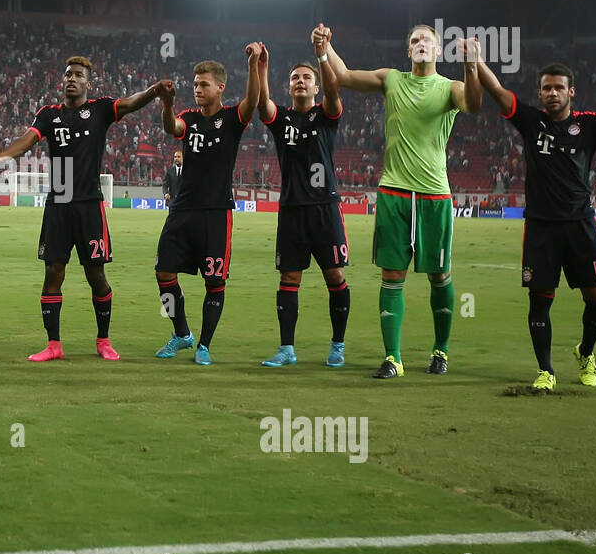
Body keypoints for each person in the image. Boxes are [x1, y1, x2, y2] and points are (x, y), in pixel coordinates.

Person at [477, 60, 596, 389]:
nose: (552, 93)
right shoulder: (530, 120)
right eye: (546, 88)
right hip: (541, 226)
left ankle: (585, 351)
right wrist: (475, 59)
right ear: (539, 92)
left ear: (571, 92)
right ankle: (546, 371)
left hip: (580, 223)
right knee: (540, 299)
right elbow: (495, 90)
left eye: (558, 88)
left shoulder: (588, 125)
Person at [318, 22, 482, 378]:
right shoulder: (391, 79)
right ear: (408, 51)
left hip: (434, 194)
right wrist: (326, 45)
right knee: (392, 276)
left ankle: (441, 352)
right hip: (393, 191)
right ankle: (393, 358)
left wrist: (471, 65)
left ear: (438, 51)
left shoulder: (450, 87)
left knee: (439, 275)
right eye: (414, 40)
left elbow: (472, 102)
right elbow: (343, 75)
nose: (421, 43)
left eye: (427, 40)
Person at [0, 57, 167, 361]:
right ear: (62, 82)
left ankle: (103, 340)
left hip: (89, 205)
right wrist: (2, 156)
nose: (71, 79)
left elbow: (129, 104)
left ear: (88, 83)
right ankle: (53, 345)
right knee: (53, 272)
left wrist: (154, 91)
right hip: (58, 204)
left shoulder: (100, 109)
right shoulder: (48, 115)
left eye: (77, 75)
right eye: (67, 75)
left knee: (95, 274)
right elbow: (27, 141)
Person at [154, 47, 260, 365]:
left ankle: (204, 345)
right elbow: (171, 128)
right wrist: (168, 102)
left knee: (214, 280)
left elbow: (252, 102)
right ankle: (181, 333)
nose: (198, 90)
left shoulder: (232, 119)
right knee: (163, 273)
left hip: (216, 213)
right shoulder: (188, 119)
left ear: (220, 88)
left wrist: (253, 64)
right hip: (183, 211)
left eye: (203, 85)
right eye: (196, 85)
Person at [258, 44, 351, 368]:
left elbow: (335, 89)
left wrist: (323, 56)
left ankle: (337, 345)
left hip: (325, 208)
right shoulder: (280, 118)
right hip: (293, 210)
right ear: (288, 85)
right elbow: (262, 104)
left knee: (335, 275)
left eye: (306, 77)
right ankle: (287, 349)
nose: (300, 81)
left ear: (315, 86)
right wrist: (261, 65)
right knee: (289, 279)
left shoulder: (326, 115)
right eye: (295, 77)